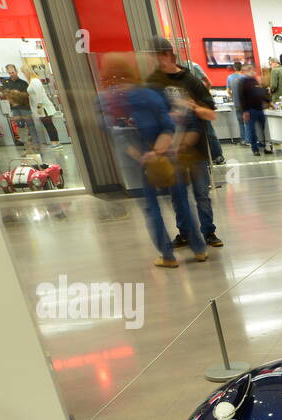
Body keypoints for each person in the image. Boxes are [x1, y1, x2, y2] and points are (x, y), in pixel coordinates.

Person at [100, 52, 205, 267]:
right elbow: (168, 125)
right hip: (165, 156)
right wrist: (158, 151)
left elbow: (115, 133)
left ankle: (167, 257)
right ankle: (199, 249)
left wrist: (142, 156)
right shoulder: (149, 94)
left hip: (136, 165)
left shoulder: (105, 99)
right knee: (182, 201)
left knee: (151, 208)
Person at [146, 38, 222, 249]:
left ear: (169, 55)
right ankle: (185, 233)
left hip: (194, 148)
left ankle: (209, 231)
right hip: (169, 149)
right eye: (154, 56)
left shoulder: (190, 79)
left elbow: (210, 111)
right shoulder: (153, 82)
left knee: (201, 194)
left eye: (161, 55)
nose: (158, 60)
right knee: (177, 195)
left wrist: (193, 106)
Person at [1, 64, 40, 152]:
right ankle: (27, 146)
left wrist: (16, 95)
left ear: (16, 71)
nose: (11, 74)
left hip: (25, 108)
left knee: (31, 126)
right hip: (14, 109)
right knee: (20, 127)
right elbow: (6, 95)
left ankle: (36, 144)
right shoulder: (6, 83)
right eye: (9, 73)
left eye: (13, 72)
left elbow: (26, 96)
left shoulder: (23, 83)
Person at [238, 64, 273, 155]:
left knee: (263, 129)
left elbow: (260, 92)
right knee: (252, 130)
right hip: (250, 110)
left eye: (251, 69)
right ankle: (255, 149)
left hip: (259, 109)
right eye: (249, 69)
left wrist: (268, 101)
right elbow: (242, 98)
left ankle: (265, 147)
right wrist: (245, 111)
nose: (252, 71)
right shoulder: (242, 82)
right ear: (245, 71)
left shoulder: (254, 81)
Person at [26, 66, 61, 149]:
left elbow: (39, 95)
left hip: (43, 108)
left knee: (49, 125)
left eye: (25, 71)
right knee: (48, 125)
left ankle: (55, 143)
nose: (24, 73)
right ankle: (55, 142)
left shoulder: (35, 81)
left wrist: (38, 107)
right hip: (41, 107)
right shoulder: (32, 81)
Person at [225, 60, 248, 144]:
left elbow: (228, 91)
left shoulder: (230, 77)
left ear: (234, 68)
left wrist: (233, 97)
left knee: (241, 122)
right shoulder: (245, 77)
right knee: (247, 121)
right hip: (246, 103)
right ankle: (249, 139)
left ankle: (243, 140)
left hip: (237, 103)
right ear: (241, 68)